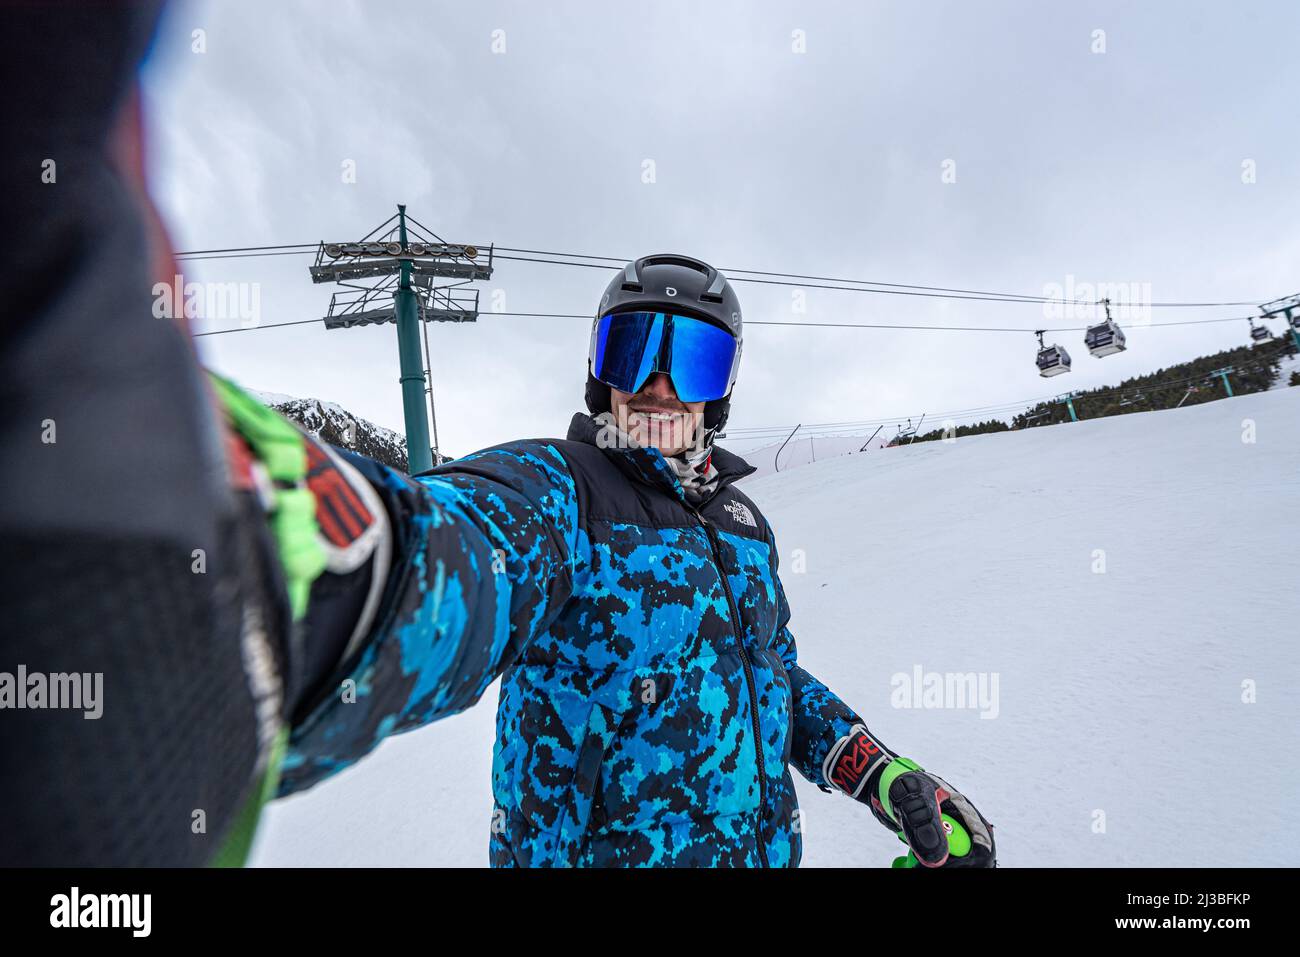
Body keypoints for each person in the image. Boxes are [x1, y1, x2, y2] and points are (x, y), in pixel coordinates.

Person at [1, 4, 993, 868]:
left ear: (717, 398)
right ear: (597, 369)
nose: (654, 382)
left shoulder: (739, 526)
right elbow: (457, 554)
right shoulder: (559, 496)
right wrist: (275, 593)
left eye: (688, 364)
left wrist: (878, 771)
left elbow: (771, 674)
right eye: (632, 347)